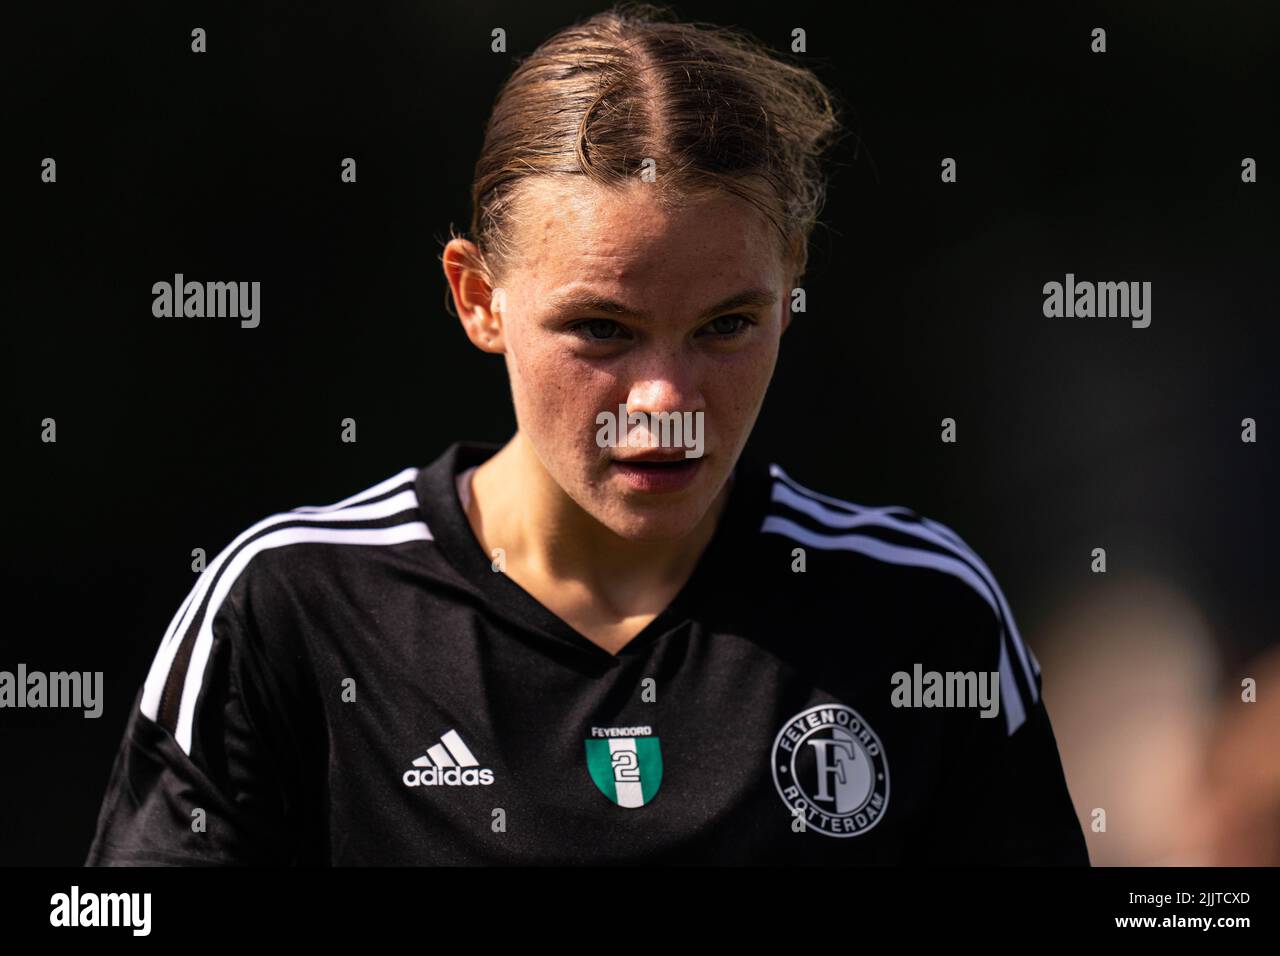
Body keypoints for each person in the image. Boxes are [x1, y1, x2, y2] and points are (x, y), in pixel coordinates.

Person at [86, 3, 1088, 865]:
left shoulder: (920, 611)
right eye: (601, 328)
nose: (663, 398)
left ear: (790, 289)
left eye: (726, 325)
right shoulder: (290, 608)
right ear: (478, 297)